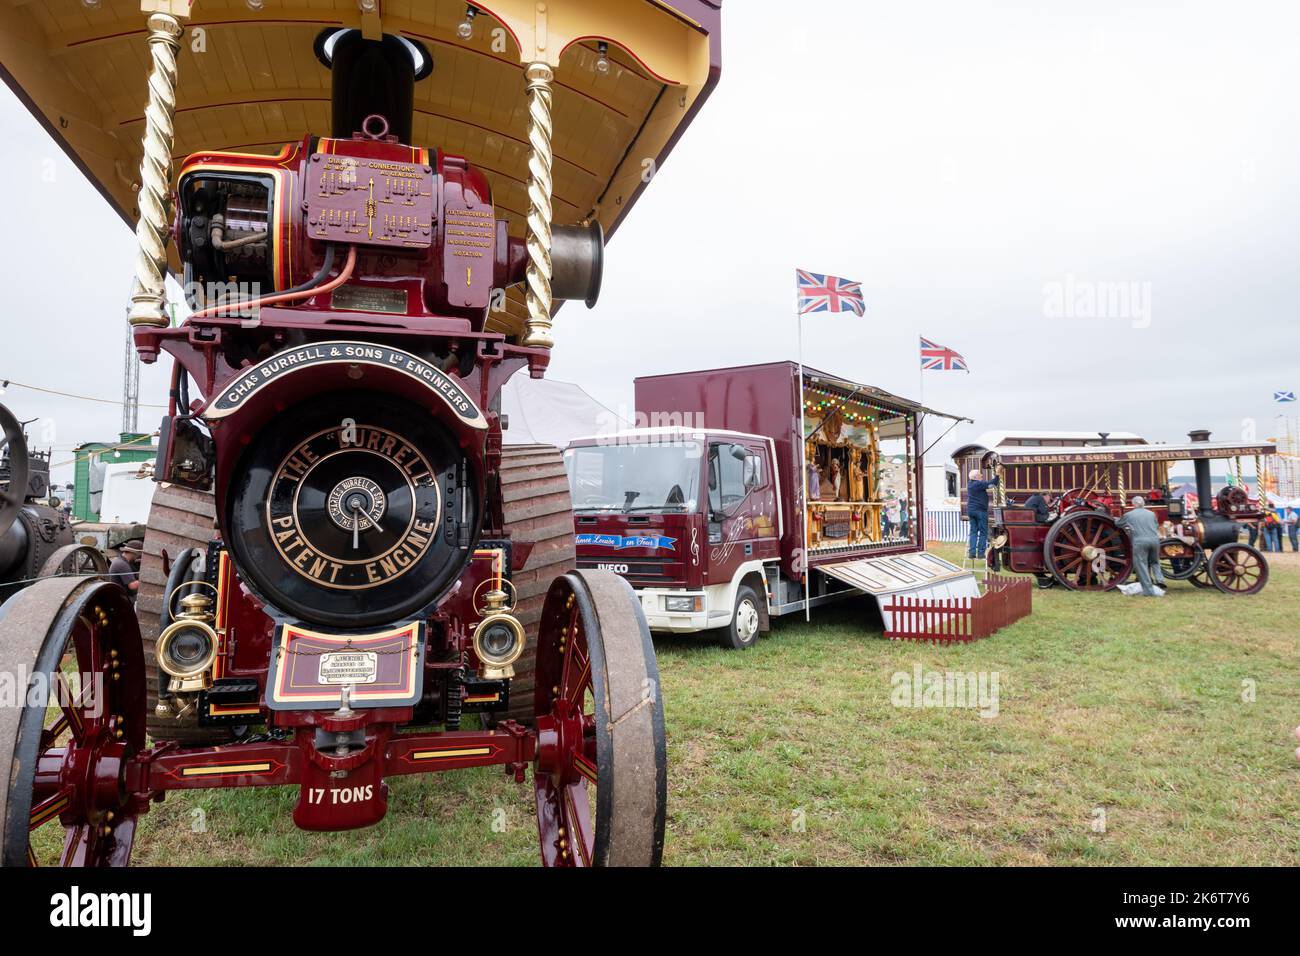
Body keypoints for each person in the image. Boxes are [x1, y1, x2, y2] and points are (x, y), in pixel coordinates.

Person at [1117, 496, 1164, 596]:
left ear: (1133, 504)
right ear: (1143, 503)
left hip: (1140, 542)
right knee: (1155, 561)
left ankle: (1148, 591)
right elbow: (1156, 526)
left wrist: (1115, 519)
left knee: (1141, 565)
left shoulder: (1129, 515)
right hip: (1155, 541)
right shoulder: (1151, 514)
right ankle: (1160, 580)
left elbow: (1118, 524)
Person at [966, 467, 1000, 560]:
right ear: (976, 476)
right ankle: (981, 553)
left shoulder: (970, 484)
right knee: (983, 532)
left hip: (971, 511)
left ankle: (972, 553)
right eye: (980, 474)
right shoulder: (978, 484)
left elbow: (989, 485)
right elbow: (992, 484)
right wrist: (997, 473)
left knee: (973, 532)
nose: (982, 475)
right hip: (980, 511)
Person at [108, 539, 143, 605]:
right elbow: (132, 586)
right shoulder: (122, 564)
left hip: (121, 596)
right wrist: (145, 581)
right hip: (121, 599)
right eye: (138, 555)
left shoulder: (121, 561)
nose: (138, 557)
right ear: (134, 553)